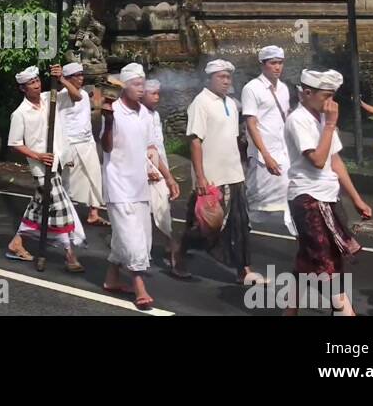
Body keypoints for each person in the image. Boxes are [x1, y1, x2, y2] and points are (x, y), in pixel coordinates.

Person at [285, 69, 372, 315]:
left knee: (310, 259)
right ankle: (345, 311)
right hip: (308, 199)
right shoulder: (298, 119)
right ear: (308, 93)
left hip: (328, 196)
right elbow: (317, 160)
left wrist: (356, 198)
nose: (331, 103)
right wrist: (331, 124)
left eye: (333, 96)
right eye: (326, 96)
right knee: (326, 261)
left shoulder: (322, 119)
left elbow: (335, 162)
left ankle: (290, 311)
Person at [176, 59, 266, 284]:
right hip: (212, 177)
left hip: (234, 173)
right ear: (209, 79)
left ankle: (244, 270)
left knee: (240, 224)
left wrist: (243, 164)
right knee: (204, 225)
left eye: (228, 77)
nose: (226, 81)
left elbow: (234, 139)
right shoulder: (201, 103)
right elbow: (195, 141)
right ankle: (179, 253)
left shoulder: (231, 104)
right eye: (221, 77)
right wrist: (201, 176)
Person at [100, 63, 179, 310]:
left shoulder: (145, 115)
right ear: (124, 86)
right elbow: (106, 147)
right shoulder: (112, 110)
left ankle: (112, 278)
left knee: (138, 236)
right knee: (133, 237)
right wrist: (109, 122)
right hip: (117, 183)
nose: (140, 88)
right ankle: (139, 286)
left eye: (142, 84)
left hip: (139, 184)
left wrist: (168, 176)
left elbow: (151, 150)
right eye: (136, 84)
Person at [4, 65, 85, 271]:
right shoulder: (19, 113)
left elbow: (77, 97)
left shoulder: (51, 98)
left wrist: (61, 79)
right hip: (41, 168)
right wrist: (38, 155)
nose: (37, 86)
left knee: (39, 206)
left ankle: (17, 242)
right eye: (31, 84)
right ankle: (70, 254)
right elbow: (15, 143)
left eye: (38, 81)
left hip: (58, 161)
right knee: (60, 206)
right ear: (23, 88)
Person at [241, 45, 293, 220]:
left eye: (280, 63)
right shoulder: (252, 88)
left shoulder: (284, 89)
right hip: (263, 155)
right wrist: (266, 154)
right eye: (273, 63)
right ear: (263, 65)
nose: (277, 67)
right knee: (259, 204)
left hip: (284, 152)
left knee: (285, 203)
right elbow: (251, 123)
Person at [139, 78, 183, 268]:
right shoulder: (139, 116)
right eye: (153, 93)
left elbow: (158, 147)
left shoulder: (155, 115)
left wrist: (167, 173)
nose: (157, 97)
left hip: (159, 168)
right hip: (145, 171)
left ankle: (169, 246)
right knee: (147, 210)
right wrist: (153, 170)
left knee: (161, 207)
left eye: (158, 93)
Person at [56, 62, 107, 226]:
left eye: (81, 75)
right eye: (77, 76)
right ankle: (63, 214)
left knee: (94, 177)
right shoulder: (63, 95)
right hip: (71, 144)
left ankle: (94, 213)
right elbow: (62, 122)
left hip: (87, 142)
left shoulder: (84, 94)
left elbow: (80, 98)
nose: (81, 78)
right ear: (69, 78)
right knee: (70, 183)